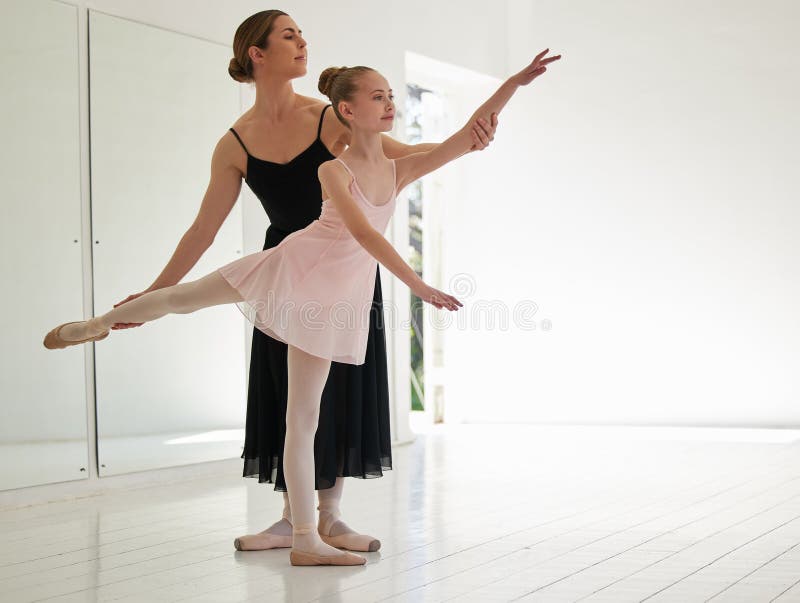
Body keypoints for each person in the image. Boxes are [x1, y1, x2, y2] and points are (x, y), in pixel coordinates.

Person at [44, 50, 561, 565]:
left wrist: (514, 82)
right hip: (295, 269)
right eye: (377, 97)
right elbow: (363, 234)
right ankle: (96, 324)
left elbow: (467, 136)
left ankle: (306, 536)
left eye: (390, 96)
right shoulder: (332, 171)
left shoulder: (400, 169)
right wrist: (418, 285)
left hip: (334, 300)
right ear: (347, 110)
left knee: (304, 417)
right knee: (185, 300)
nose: (389, 104)